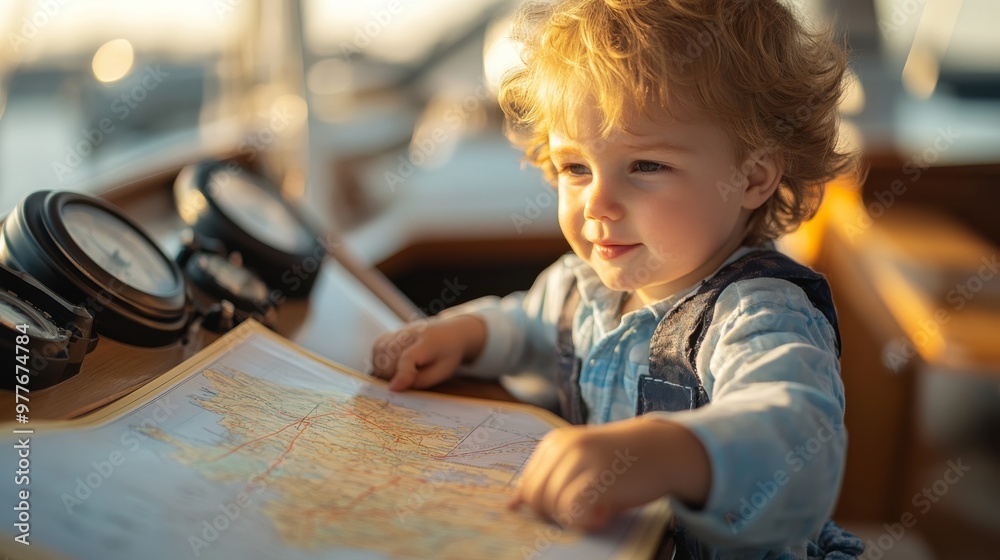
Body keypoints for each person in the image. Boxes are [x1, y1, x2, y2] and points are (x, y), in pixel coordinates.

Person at [370, 0, 866, 557]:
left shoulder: (761, 316)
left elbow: (800, 447)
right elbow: (527, 329)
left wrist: (671, 452)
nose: (598, 204)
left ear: (751, 178)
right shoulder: (582, 285)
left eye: (646, 166)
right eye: (575, 167)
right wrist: (465, 335)